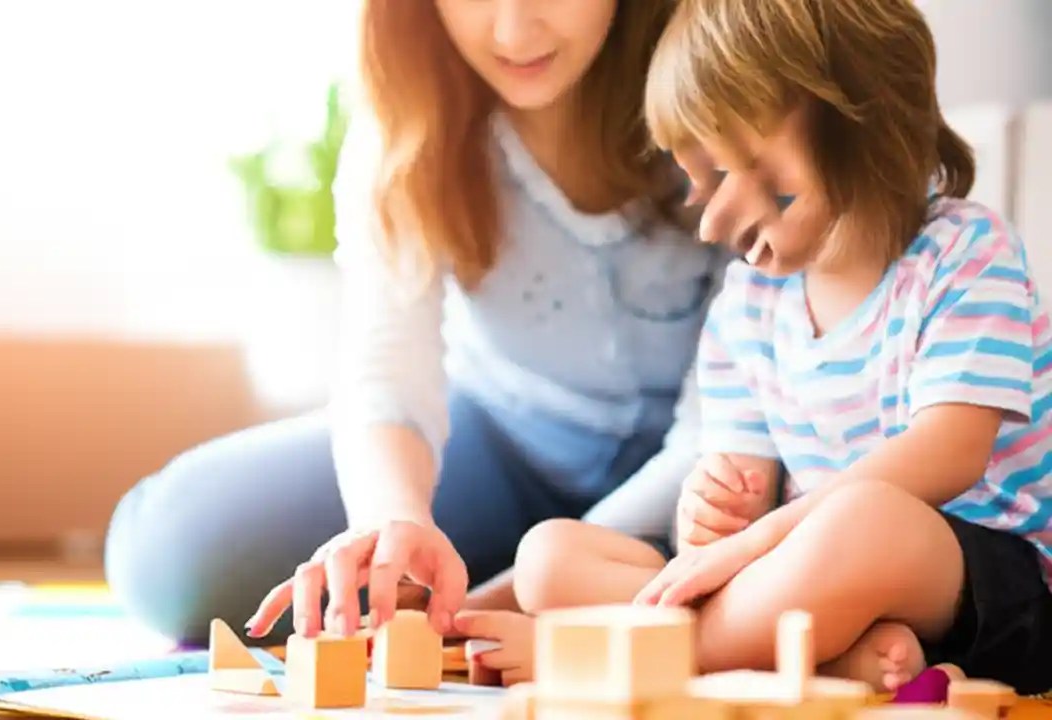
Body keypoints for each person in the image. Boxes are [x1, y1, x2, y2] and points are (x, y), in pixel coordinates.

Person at [105, 0, 727, 651]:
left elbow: (721, 424)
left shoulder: (718, 93)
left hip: (704, 486)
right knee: (173, 547)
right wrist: (391, 523)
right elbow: (387, 368)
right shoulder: (407, 124)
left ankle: (600, 584)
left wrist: (521, 589)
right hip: (502, 443)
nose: (513, 31)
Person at [510, 0, 1052, 697]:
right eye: (695, 182)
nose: (710, 221)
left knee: (868, 519)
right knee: (547, 558)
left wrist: (760, 540)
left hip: (993, 587)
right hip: (810, 585)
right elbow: (737, 499)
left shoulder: (966, 253)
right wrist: (712, 515)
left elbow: (948, 455)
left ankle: (652, 655)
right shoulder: (747, 307)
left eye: (731, 170)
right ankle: (821, 662)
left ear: (855, 117)